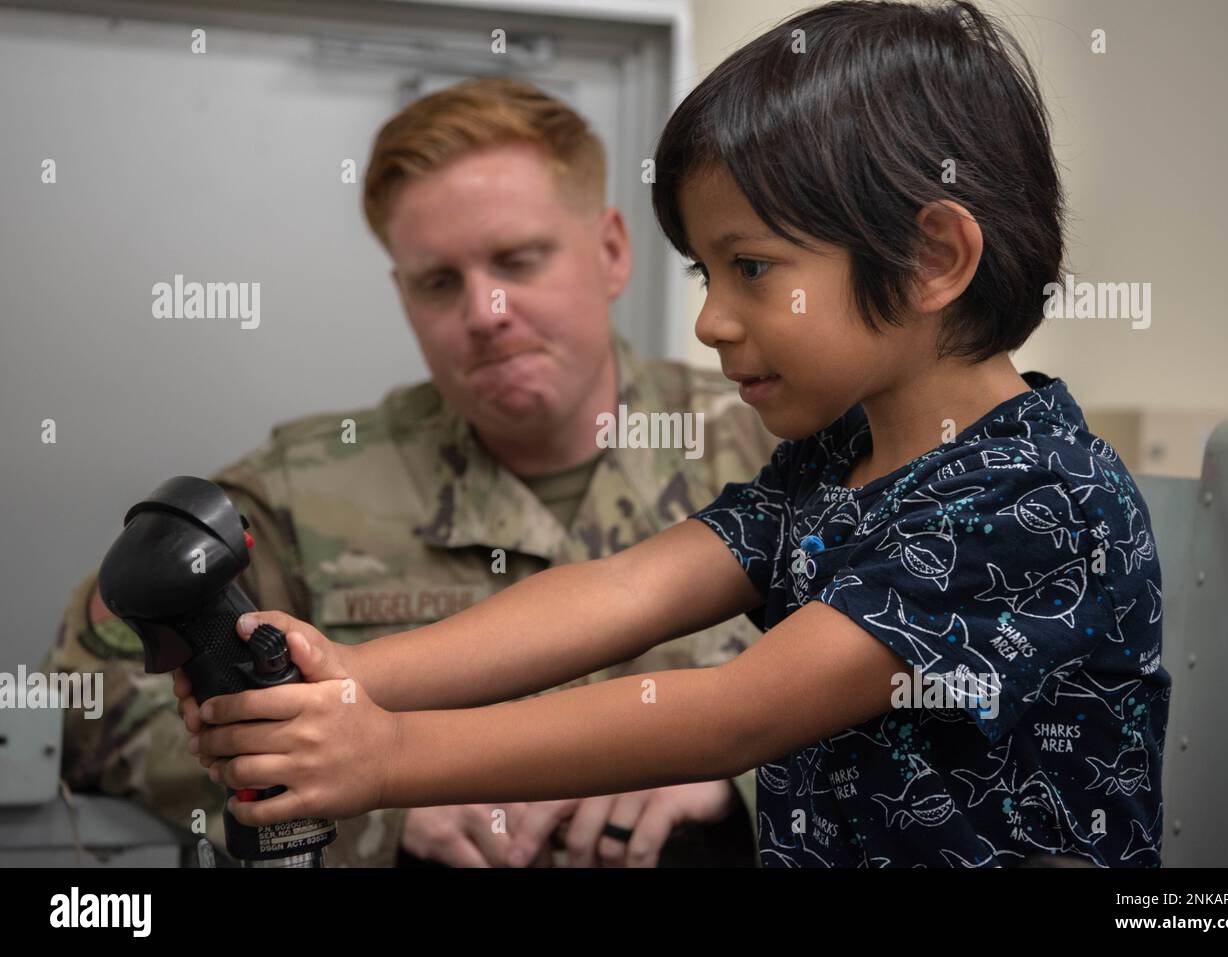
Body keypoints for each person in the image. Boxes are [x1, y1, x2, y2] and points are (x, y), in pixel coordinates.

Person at [179, 0, 1171, 867]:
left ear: (930, 257)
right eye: (706, 274)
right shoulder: (837, 460)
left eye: (749, 267)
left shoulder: (1031, 496)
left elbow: (738, 714)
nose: (710, 322)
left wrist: (389, 757)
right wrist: (357, 675)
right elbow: (626, 588)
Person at [46, 77, 779, 868]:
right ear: (403, 296)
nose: (484, 311)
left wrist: (736, 777)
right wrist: (374, 803)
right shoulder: (307, 490)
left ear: (610, 251)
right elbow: (91, 694)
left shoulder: (774, 448)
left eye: (517, 259)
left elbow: (905, 679)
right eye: (439, 281)